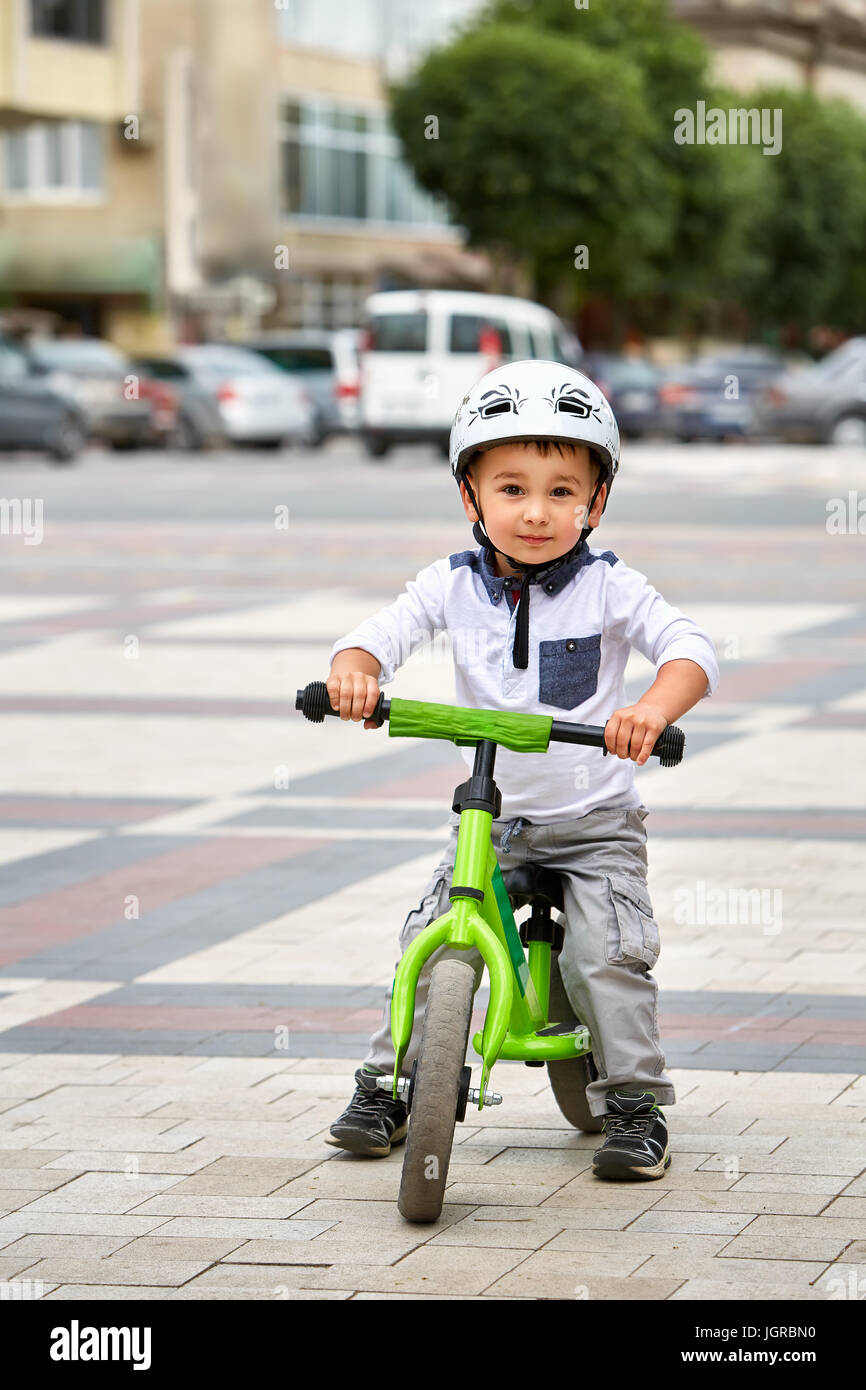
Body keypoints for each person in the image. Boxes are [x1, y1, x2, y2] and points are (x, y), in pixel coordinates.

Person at [324, 359, 719, 1181]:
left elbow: (690, 649)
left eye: (562, 491)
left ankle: (637, 1106)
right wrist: (357, 674)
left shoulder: (611, 588)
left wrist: (651, 709)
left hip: (594, 823)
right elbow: (380, 634)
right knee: (430, 941)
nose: (536, 512)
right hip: (492, 821)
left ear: (595, 502)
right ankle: (391, 1086)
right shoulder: (451, 584)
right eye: (511, 489)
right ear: (470, 497)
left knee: (609, 951)